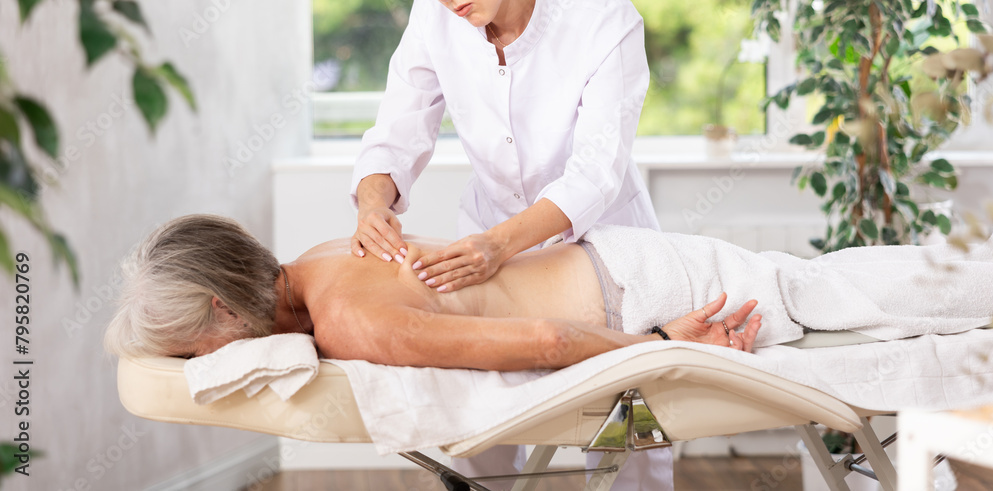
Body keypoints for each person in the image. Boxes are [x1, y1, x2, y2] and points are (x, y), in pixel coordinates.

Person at [349, 0, 667, 486]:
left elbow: (595, 174)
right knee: (477, 423)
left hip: (605, 250)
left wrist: (500, 245)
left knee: (627, 432)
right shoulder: (432, 21)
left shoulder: (602, 17)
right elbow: (395, 134)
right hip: (489, 243)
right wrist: (372, 205)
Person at [104, 214, 762, 364]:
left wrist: (661, 343)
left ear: (221, 308)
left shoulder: (342, 322)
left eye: (195, 351)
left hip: (645, 297)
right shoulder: (321, 258)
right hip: (618, 259)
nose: (208, 362)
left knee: (853, 300)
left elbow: (547, 338)